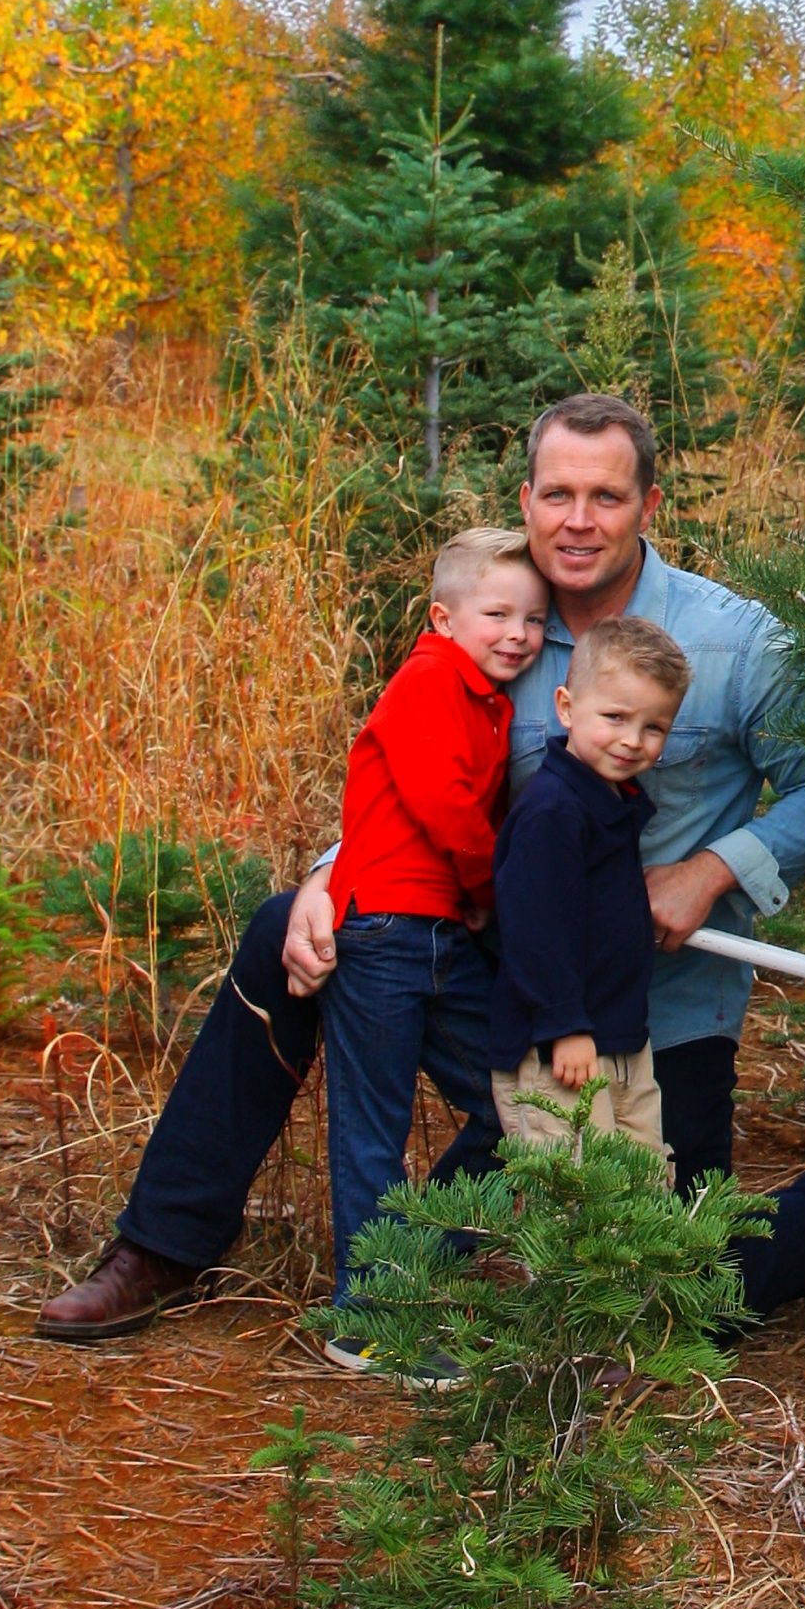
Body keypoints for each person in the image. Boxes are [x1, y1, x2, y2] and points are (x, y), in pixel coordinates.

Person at [36, 392, 805, 1345]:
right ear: (529, 500)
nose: (578, 521)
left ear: (649, 506)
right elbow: (412, 771)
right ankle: (166, 1243)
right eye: (557, 495)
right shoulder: (498, 627)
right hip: (505, 974)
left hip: (654, 1009)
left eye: (606, 497)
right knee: (279, 932)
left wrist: (709, 868)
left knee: (672, 1289)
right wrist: (332, 877)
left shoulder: (733, 641)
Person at [321, 524, 548, 1365]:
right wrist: (497, 894)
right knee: (373, 1127)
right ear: (443, 618)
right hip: (382, 929)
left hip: (440, 936)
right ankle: (370, 1317)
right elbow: (449, 809)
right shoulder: (426, 682)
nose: (517, 635)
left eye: (532, 620)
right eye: (497, 614)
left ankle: (410, 1264)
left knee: (513, 1104)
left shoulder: (487, 698)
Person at [489, 611, 684, 1160]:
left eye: (654, 727)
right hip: (560, 1047)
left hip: (621, 1039)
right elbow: (534, 929)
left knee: (640, 1192)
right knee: (576, 1201)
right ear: (567, 708)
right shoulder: (552, 811)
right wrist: (563, 1025)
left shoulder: (612, 804)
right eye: (615, 717)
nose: (632, 741)